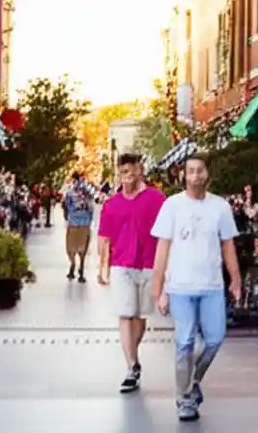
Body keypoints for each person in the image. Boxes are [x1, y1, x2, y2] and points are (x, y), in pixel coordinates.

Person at [150, 153, 242, 422]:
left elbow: (228, 245)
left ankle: (193, 381)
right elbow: (162, 248)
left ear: (207, 174)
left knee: (214, 339)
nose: (194, 176)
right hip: (179, 286)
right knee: (185, 341)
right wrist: (159, 289)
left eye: (199, 170)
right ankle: (184, 397)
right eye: (190, 171)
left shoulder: (220, 207)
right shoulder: (172, 206)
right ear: (184, 175)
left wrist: (235, 279)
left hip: (211, 285)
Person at [97, 154, 167, 394]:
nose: (126, 176)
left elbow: (167, 234)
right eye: (122, 172)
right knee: (125, 313)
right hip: (122, 265)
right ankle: (132, 366)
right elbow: (104, 238)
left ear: (140, 172)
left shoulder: (157, 199)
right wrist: (102, 268)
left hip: (148, 264)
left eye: (130, 171)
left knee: (139, 317)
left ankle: (133, 356)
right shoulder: (111, 204)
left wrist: (165, 266)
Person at [62, 172, 95, 282]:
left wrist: (68, 215)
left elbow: (66, 204)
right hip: (85, 222)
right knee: (83, 248)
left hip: (73, 222)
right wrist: (89, 218)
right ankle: (81, 270)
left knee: (71, 247)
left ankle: (72, 265)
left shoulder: (70, 191)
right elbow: (91, 206)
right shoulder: (88, 191)